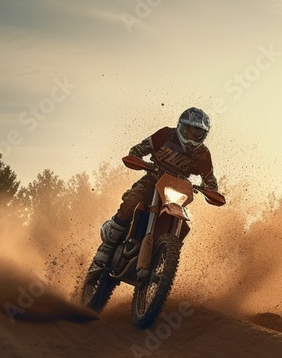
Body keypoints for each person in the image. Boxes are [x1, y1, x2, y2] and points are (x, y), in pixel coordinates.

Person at [88, 107, 219, 276]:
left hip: (177, 189)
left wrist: (211, 191)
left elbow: (210, 180)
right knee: (132, 200)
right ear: (182, 127)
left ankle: (164, 259)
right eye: (190, 131)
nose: (192, 137)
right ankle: (107, 246)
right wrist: (139, 160)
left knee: (184, 223)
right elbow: (139, 149)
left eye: (198, 134)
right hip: (152, 179)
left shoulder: (203, 153)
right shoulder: (166, 134)